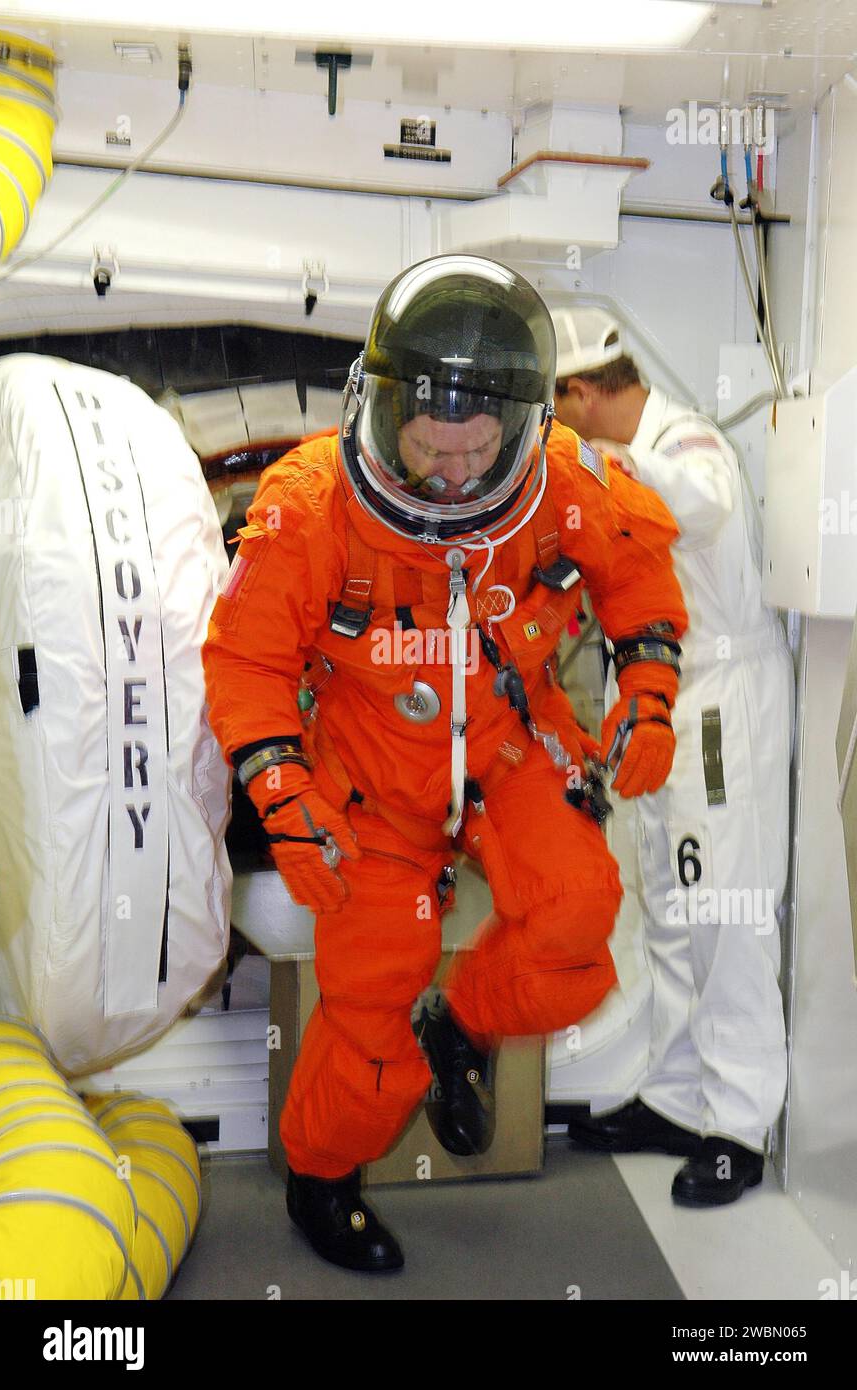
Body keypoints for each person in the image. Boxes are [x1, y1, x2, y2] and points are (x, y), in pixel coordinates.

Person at [202, 257, 687, 1273]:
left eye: (475, 457)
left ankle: (459, 1026)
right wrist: (281, 793)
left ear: (517, 433)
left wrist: (648, 688)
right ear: (380, 409)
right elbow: (245, 659)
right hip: (375, 777)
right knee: (368, 1027)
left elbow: (637, 572)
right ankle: (320, 1179)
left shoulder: (564, 485)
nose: (452, 478)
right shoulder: (312, 505)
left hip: (509, 744)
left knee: (576, 923)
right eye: (428, 450)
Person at [550, 304, 793, 1206]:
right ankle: (678, 1097)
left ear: (580, 392)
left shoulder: (686, 440)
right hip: (659, 703)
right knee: (671, 898)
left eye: (558, 407)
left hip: (721, 709)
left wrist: (596, 462)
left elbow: (703, 500)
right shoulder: (622, 457)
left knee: (726, 912)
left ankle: (736, 1125)